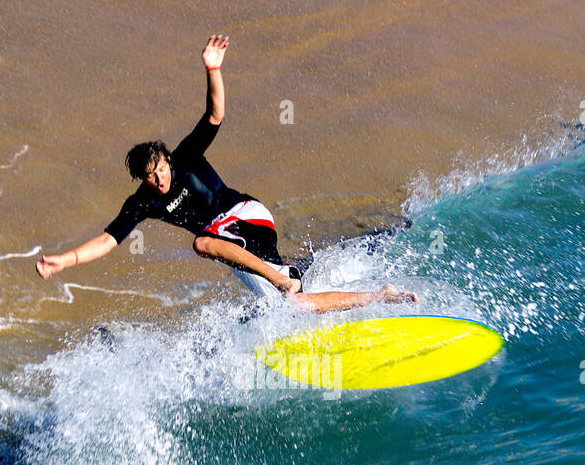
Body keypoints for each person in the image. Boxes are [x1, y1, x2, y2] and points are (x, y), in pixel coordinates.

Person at [36, 34, 417, 312]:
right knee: (294, 307)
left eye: (160, 171)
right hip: (233, 245)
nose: (159, 181)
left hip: (246, 215)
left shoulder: (185, 156)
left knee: (203, 244)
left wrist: (213, 69)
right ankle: (376, 297)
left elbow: (214, 115)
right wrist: (63, 261)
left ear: (167, 161)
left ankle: (282, 278)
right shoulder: (144, 202)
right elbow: (107, 240)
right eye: (150, 178)